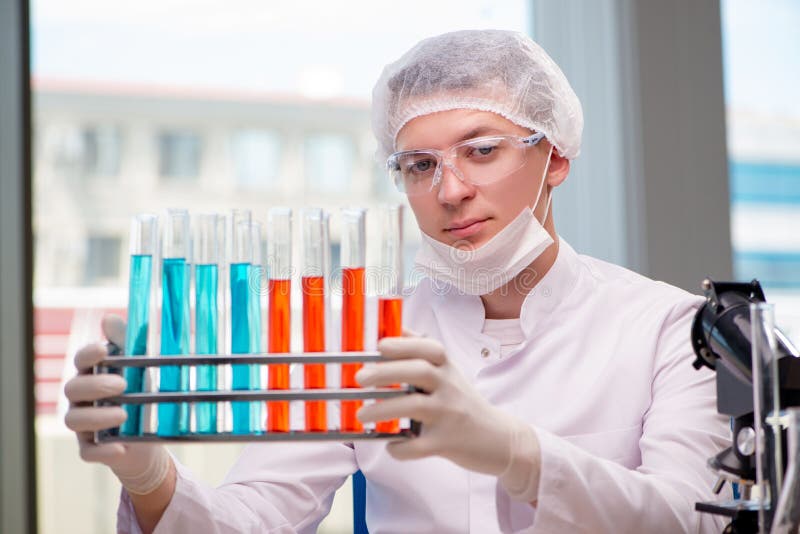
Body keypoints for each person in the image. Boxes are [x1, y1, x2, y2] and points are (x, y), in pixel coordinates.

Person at [64, 29, 730, 533]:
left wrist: (515, 451)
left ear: (554, 156)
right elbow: (258, 518)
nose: (450, 190)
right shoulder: (363, 337)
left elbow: (690, 519)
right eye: (419, 165)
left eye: (482, 150)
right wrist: (150, 478)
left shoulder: (671, 331)